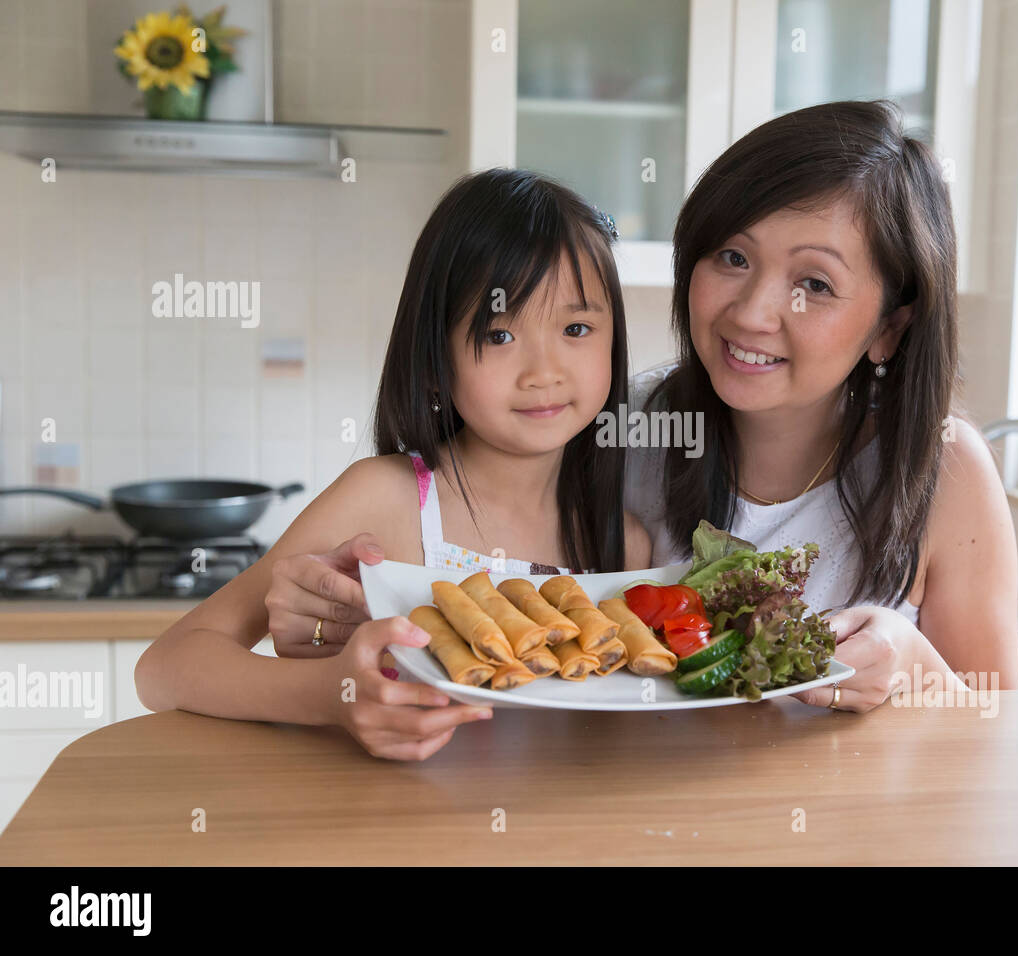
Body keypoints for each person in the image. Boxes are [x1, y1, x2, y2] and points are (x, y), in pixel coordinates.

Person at [266, 100, 1018, 716]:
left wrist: (913, 664)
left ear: (890, 326)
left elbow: (1004, 742)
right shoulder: (605, 422)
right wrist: (324, 609)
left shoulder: (942, 469)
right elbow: (464, 552)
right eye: (732, 257)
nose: (754, 311)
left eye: (814, 285)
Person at [135, 169, 652, 760]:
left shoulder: (625, 547)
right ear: (436, 355)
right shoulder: (385, 502)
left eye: (577, 328)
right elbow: (166, 668)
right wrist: (331, 694)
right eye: (500, 335)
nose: (544, 371)